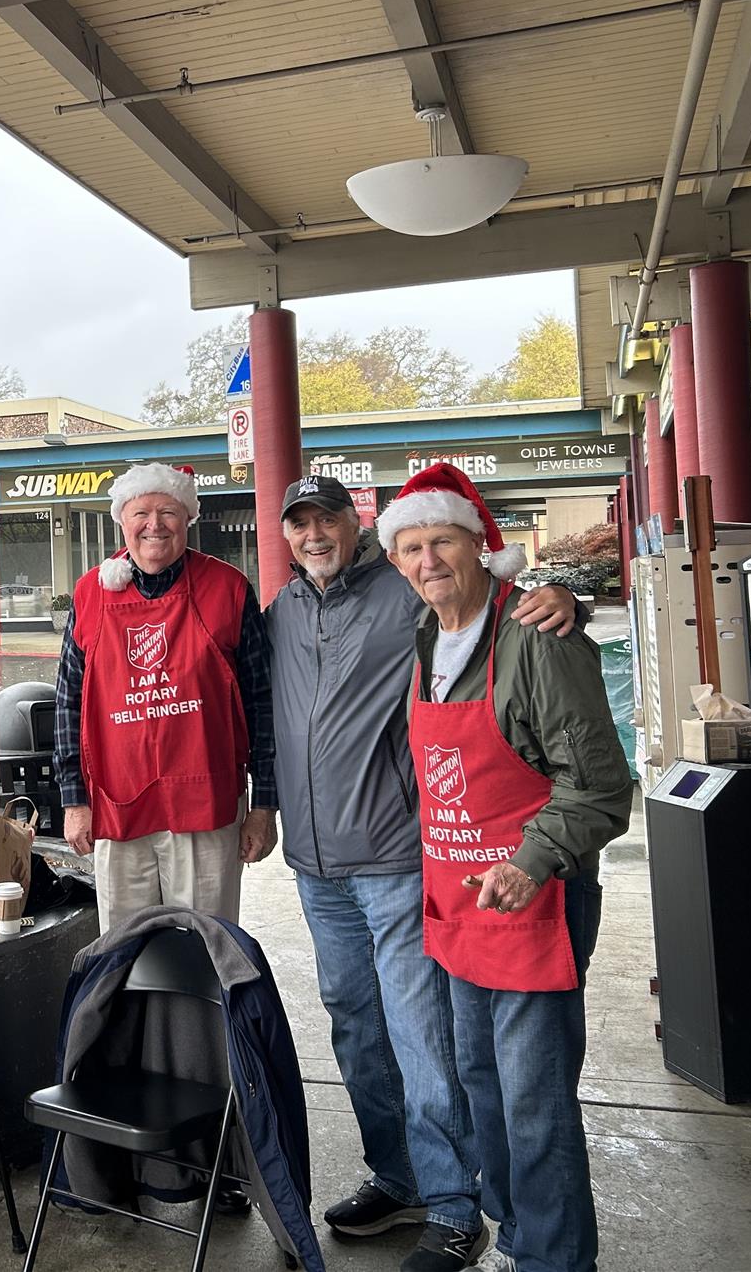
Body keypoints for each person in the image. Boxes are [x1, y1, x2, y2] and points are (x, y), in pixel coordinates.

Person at [267, 475, 582, 1272]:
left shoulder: (404, 593)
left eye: (326, 520)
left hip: (402, 856)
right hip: (315, 862)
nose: (313, 535)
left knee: (424, 1036)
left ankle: (452, 1202)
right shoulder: (281, 611)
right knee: (354, 1027)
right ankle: (398, 1174)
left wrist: (564, 599)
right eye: (298, 523)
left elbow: (487, 605)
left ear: (354, 524)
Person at [378, 465, 633, 1272]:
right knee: (484, 1088)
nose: (428, 560)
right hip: (459, 907)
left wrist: (530, 860)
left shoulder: (537, 636)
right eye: (412, 547)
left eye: (442, 541)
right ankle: (520, 1235)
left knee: (534, 1103)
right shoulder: (428, 639)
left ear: (478, 545)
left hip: (535, 901)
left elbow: (599, 786)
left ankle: (557, 1259)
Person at [54, 462, 278, 934]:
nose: (154, 525)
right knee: (125, 956)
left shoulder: (229, 589)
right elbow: (69, 703)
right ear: (122, 521)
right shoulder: (90, 594)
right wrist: (75, 800)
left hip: (207, 808)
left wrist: (264, 807)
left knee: (208, 952)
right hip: (117, 806)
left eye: (169, 513)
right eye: (141, 513)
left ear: (189, 519)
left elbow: (262, 703)